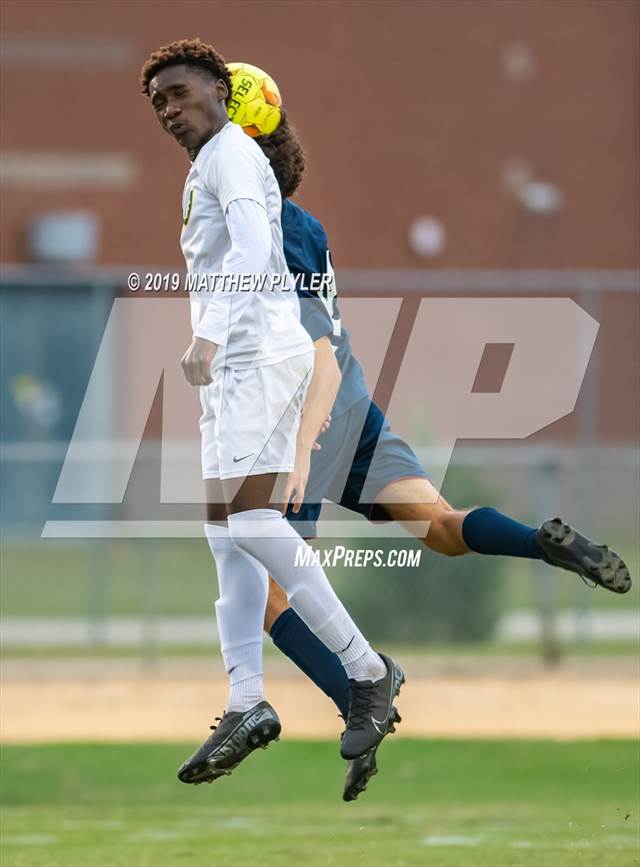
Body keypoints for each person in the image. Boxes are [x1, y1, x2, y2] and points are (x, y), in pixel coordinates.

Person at [239, 98, 632, 800]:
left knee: (265, 596)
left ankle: (360, 692)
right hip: (356, 409)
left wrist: (299, 445)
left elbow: (312, 351)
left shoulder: (259, 233)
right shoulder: (303, 226)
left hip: (302, 417)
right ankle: (542, 545)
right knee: (443, 526)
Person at [140, 39, 405, 790]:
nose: (168, 108)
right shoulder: (208, 164)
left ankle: (366, 668)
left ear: (220, 92)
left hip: (256, 358)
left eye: (180, 92)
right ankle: (247, 700)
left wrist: (213, 332)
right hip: (236, 369)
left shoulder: (229, 153)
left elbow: (258, 246)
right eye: (158, 101)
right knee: (226, 533)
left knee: (255, 524)